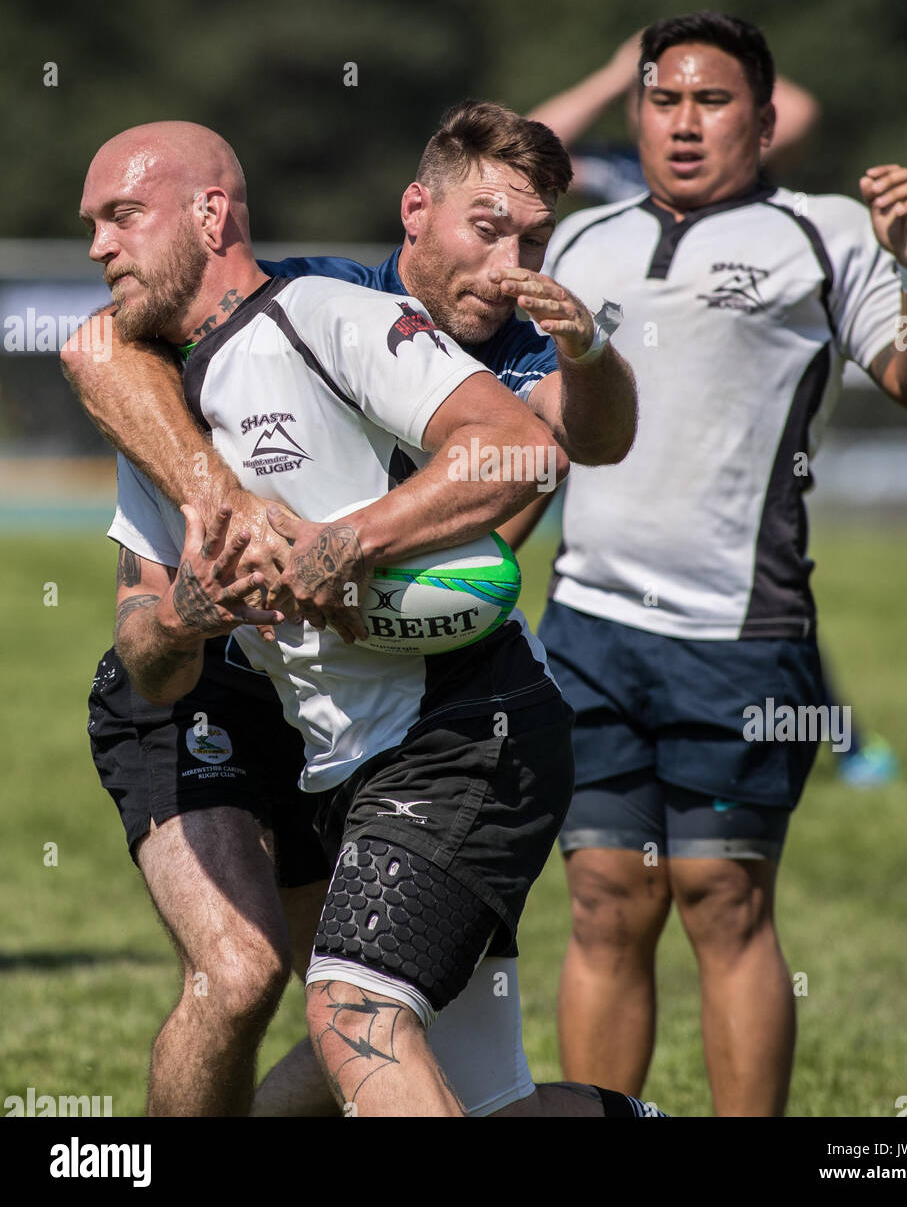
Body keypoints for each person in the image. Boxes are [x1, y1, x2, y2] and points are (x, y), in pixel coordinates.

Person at [66, 109, 651, 1117]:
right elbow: (93, 357)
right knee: (470, 1088)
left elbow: (532, 447)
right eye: (487, 226)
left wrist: (347, 544)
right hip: (315, 731)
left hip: (454, 726)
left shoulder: (332, 317)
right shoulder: (181, 386)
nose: (97, 245)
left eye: (120, 217)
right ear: (417, 212)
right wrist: (195, 605)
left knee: (349, 1006)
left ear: (208, 214)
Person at [524, 12, 907, 1115]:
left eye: (712, 101)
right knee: (601, 899)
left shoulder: (825, 234)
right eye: (662, 99)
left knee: (720, 896)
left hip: (739, 635)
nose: (683, 123)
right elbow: (537, 424)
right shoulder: (583, 241)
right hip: (583, 624)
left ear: (766, 121)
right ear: (635, 113)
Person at [529, 29, 821, 204]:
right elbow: (528, 148)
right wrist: (615, 76)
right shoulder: (617, 169)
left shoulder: (730, 162)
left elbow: (798, 115)